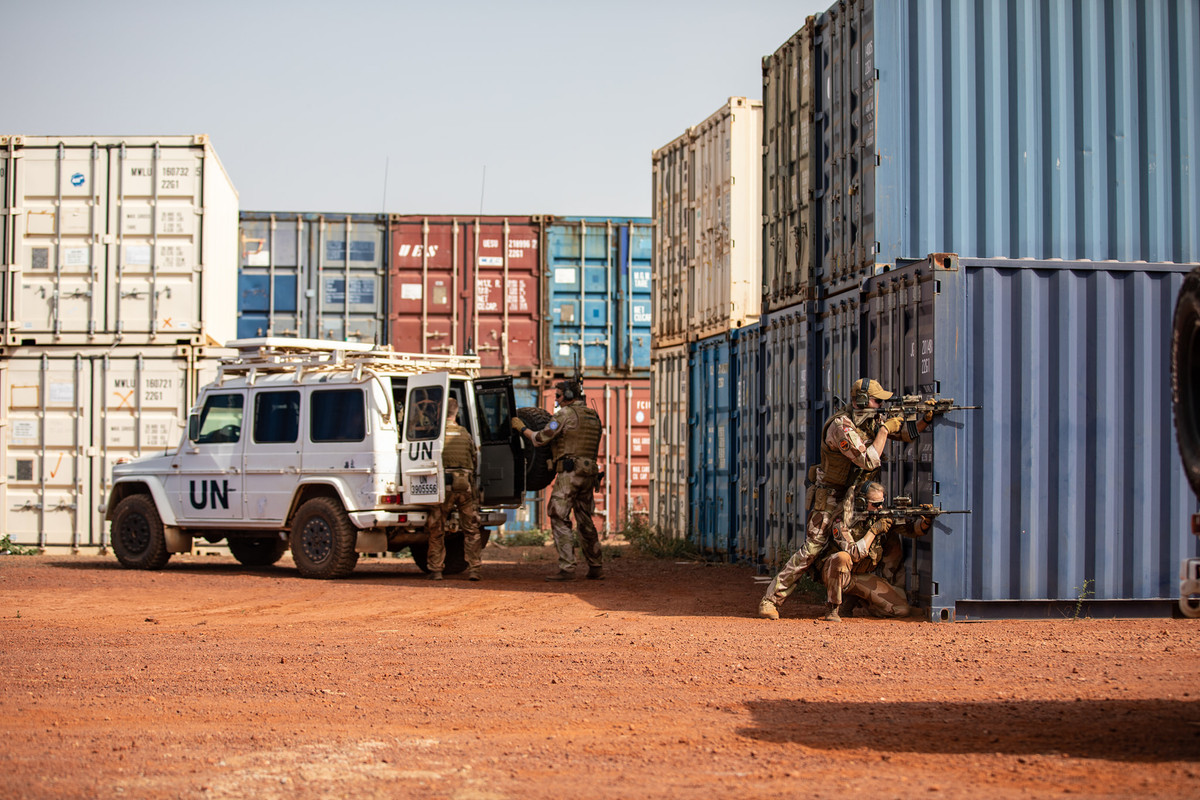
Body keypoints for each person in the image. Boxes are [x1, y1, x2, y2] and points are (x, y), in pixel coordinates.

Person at [758, 378, 930, 619]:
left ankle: (856, 598)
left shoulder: (868, 420)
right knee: (811, 549)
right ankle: (771, 599)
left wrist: (924, 420)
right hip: (830, 498)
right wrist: (884, 430)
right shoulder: (842, 426)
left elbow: (903, 435)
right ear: (860, 401)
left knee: (876, 539)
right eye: (876, 400)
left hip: (855, 497)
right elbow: (868, 460)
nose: (880, 405)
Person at [511, 379, 604, 581]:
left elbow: (538, 439)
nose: (557, 400)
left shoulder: (565, 415)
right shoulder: (593, 416)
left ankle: (567, 567)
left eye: (559, 395)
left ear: (569, 396)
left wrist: (521, 428)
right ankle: (595, 565)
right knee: (585, 519)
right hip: (589, 474)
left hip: (570, 474)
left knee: (557, 514)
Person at [818, 482, 932, 621]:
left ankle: (862, 602)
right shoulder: (841, 520)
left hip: (860, 577)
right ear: (861, 502)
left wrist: (926, 521)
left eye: (882, 503)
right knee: (842, 557)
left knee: (901, 610)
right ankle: (832, 608)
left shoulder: (878, 517)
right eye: (876, 504)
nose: (880, 508)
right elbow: (854, 553)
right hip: (837, 575)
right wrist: (873, 531)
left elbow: (912, 530)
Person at [425, 397, 484, 581]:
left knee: (437, 529)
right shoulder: (465, 434)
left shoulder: (437, 436)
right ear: (456, 412)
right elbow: (475, 460)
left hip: (445, 488)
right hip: (464, 487)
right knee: (471, 529)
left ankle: (436, 570)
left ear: (440, 413)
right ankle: (474, 569)